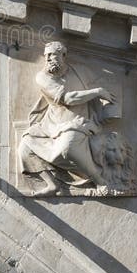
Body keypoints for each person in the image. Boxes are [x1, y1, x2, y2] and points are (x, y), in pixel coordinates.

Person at [18, 40, 114, 196]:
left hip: (78, 121)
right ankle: (52, 185)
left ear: (63, 55)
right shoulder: (42, 77)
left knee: (67, 147)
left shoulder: (79, 72)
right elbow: (67, 99)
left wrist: (106, 100)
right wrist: (97, 92)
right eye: (46, 56)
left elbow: (107, 81)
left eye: (52, 55)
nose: (48, 59)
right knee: (25, 148)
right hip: (51, 124)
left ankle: (99, 180)